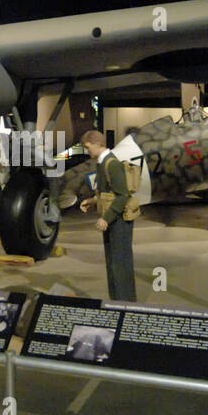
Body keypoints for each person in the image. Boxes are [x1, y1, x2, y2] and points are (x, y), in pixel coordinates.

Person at [77, 129, 137, 302]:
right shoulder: (102, 163)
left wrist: (106, 218)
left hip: (119, 221)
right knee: (113, 264)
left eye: (88, 147)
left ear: (97, 143)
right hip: (114, 220)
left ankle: (126, 304)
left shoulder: (112, 164)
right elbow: (107, 193)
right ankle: (116, 301)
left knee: (121, 265)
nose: (87, 150)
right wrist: (93, 201)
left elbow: (123, 195)